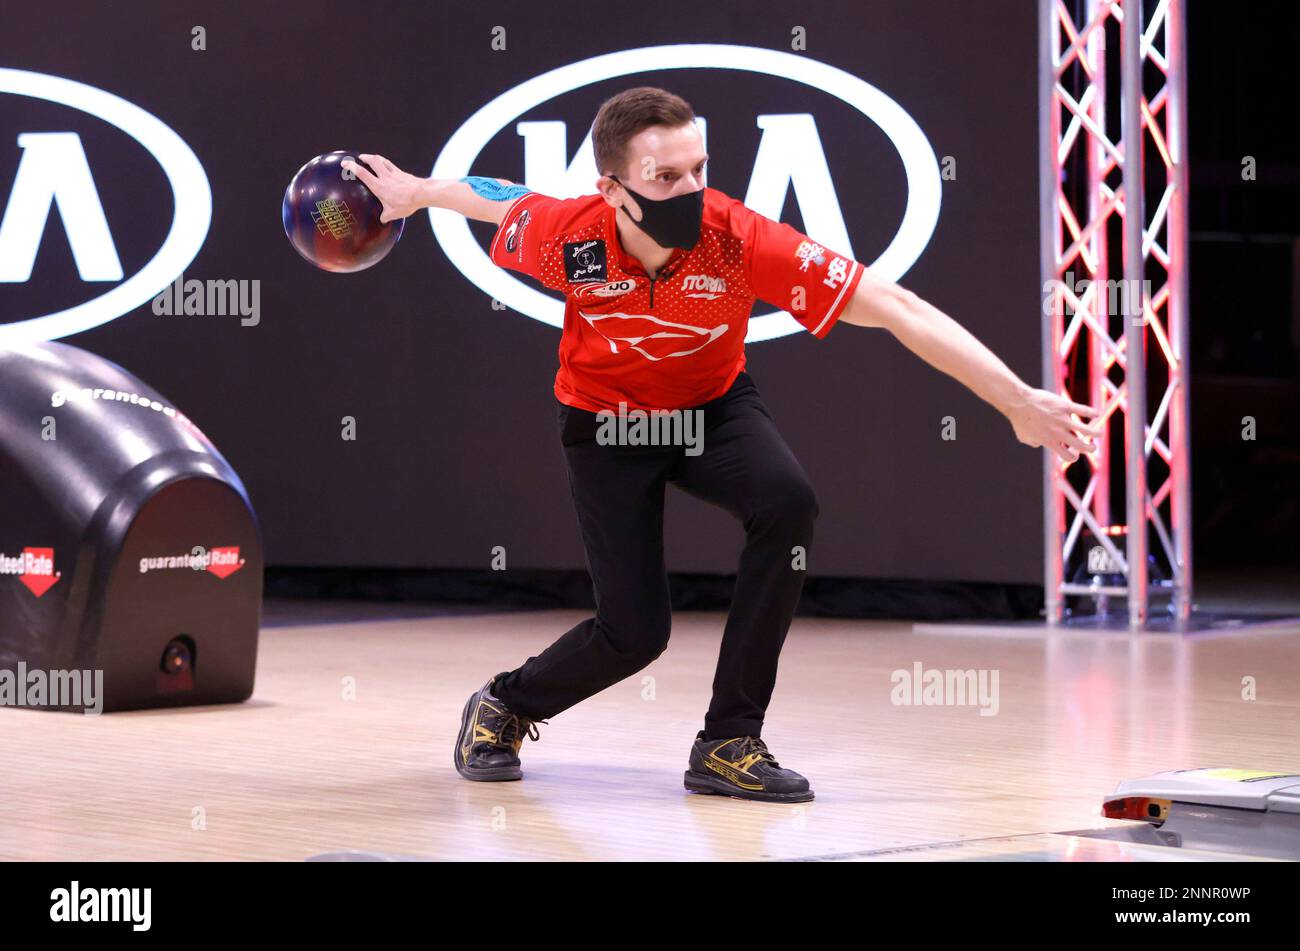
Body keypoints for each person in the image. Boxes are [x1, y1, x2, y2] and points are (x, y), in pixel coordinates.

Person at [342, 87, 1100, 803]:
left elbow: (896, 305)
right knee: (634, 635)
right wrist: (417, 192)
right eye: (665, 175)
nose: (690, 189)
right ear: (611, 188)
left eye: (699, 169)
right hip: (608, 426)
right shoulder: (567, 237)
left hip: (711, 410)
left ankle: (729, 741)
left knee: (788, 503)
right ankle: (505, 702)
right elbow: (499, 197)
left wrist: (1017, 400)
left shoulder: (739, 240)